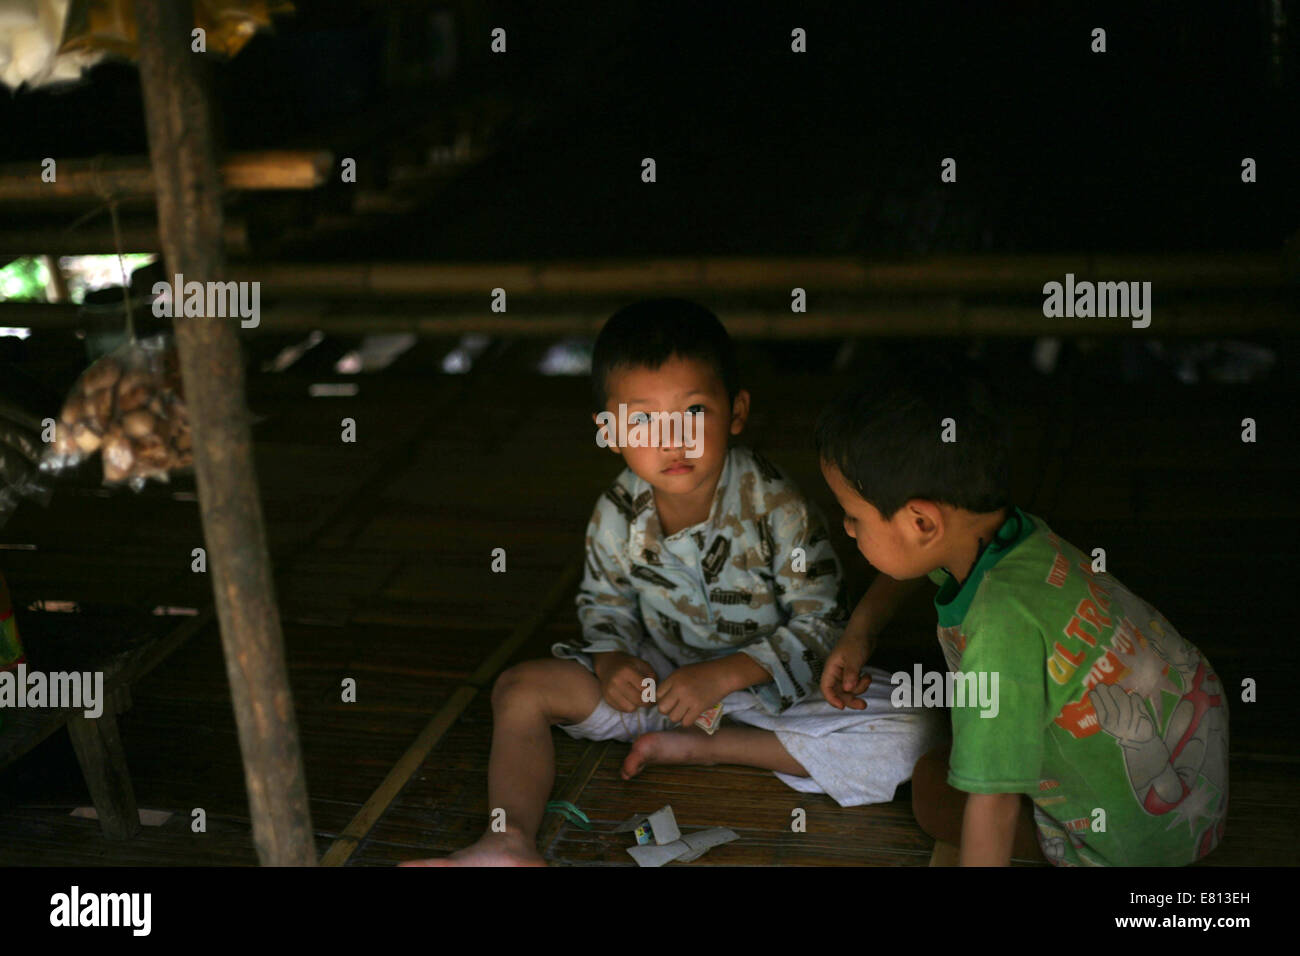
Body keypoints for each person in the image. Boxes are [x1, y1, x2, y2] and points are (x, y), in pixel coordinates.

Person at [405, 299, 942, 866]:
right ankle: (509, 839)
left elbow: (823, 623)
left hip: (777, 689)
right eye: (642, 420)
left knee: (921, 729)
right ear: (609, 430)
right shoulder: (618, 506)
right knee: (519, 690)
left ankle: (711, 748)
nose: (671, 439)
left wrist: (727, 675)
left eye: (693, 411)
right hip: (658, 681)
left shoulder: (777, 507)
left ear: (736, 412)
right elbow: (604, 600)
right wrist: (612, 659)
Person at [814, 369, 1228, 866]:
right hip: (1202, 789)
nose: (846, 527)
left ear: (922, 521)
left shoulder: (994, 635)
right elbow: (916, 561)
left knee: (931, 788)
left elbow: (995, 804)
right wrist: (861, 632)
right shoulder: (1017, 536)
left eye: (854, 517)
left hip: (1136, 847)